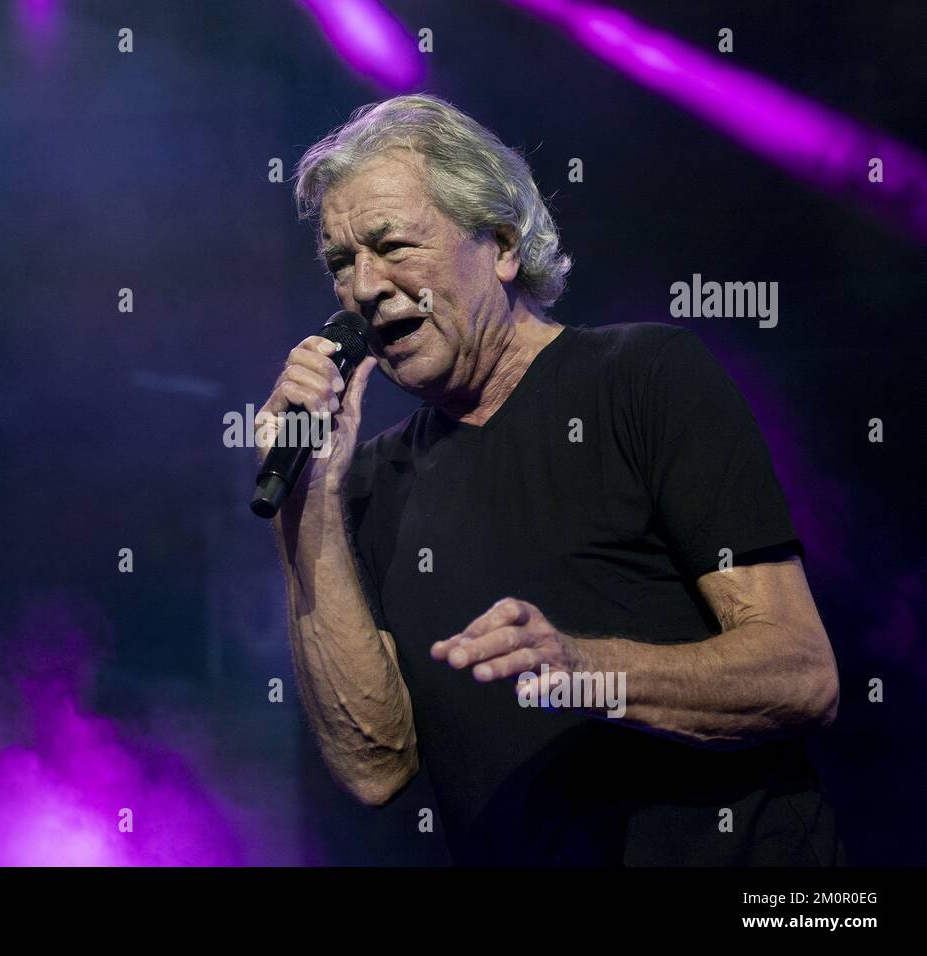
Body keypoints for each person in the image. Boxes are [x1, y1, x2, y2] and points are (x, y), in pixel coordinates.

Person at [256, 93, 842, 865]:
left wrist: (584, 669)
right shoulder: (364, 483)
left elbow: (802, 674)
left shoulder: (643, 379)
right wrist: (309, 502)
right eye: (341, 262)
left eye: (392, 245)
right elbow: (374, 767)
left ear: (500, 245)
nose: (364, 287)